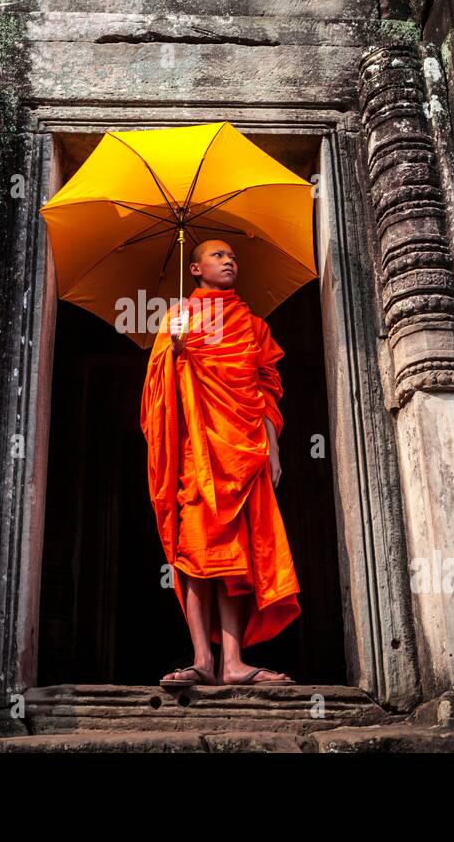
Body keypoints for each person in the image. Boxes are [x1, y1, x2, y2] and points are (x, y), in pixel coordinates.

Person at [140, 238, 301, 687]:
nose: (229, 261)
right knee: (195, 556)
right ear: (194, 269)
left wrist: (274, 448)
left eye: (233, 257)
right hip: (198, 455)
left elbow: (267, 390)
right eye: (218, 255)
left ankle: (233, 661)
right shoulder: (179, 320)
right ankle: (201, 660)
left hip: (244, 451)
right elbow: (155, 400)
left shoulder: (251, 326)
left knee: (238, 557)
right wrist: (174, 352)